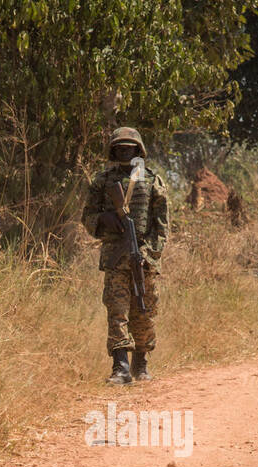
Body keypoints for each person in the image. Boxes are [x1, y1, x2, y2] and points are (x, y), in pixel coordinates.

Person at [81, 126, 169, 384]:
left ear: (138, 150)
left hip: (144, 259)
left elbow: (162, 226)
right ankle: (120, 367)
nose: (124, 151)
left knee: (144, 309)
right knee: (117, 311)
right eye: (120, 147)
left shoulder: (153, 181)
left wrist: (148, 253)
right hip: (114, 257)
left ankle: (140, 363)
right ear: (113, 150)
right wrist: (104, 220)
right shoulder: (102, 181)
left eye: (129, 148)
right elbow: (87, 217)